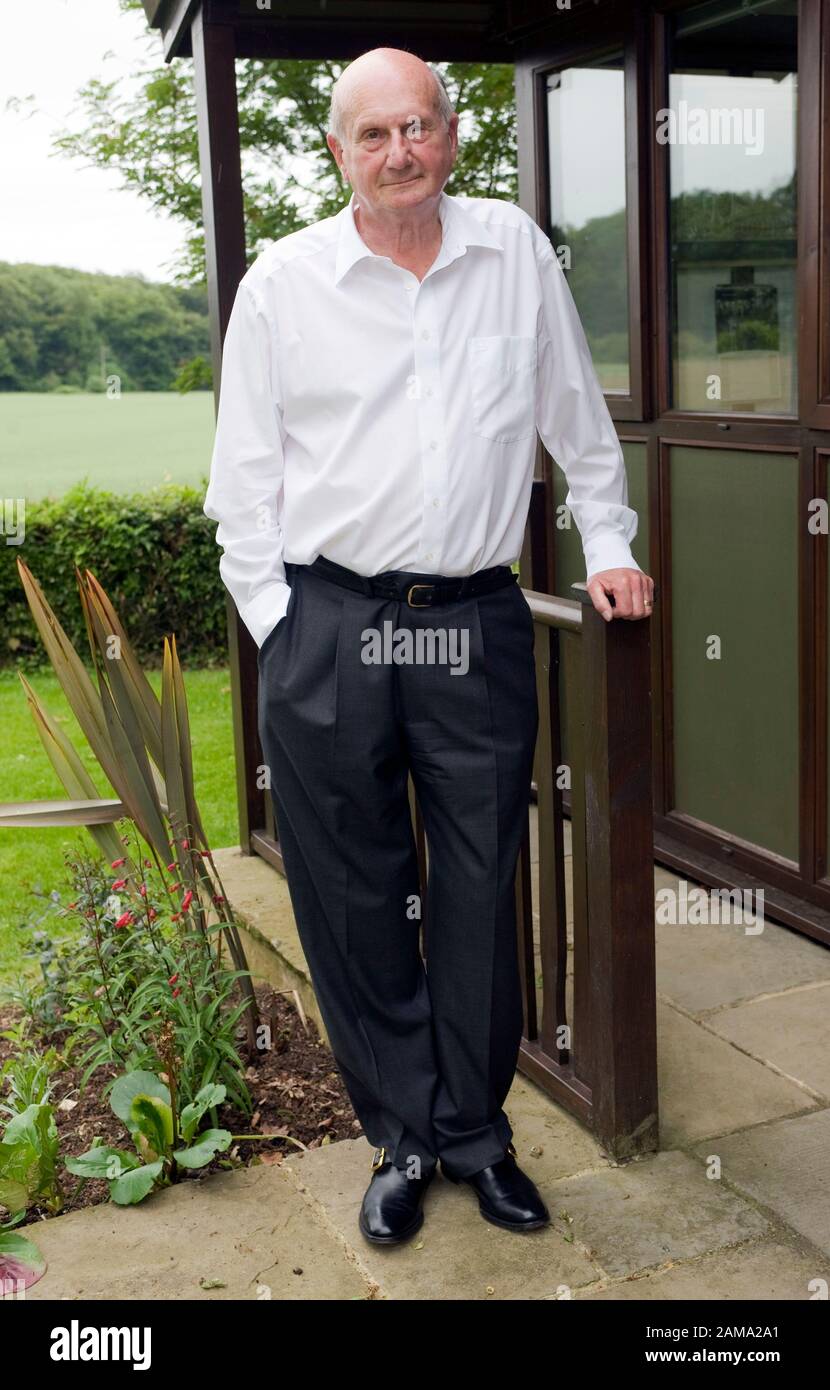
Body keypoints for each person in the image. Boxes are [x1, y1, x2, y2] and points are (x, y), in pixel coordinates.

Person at [203, 46, 655, 1246]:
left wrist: (604, 541)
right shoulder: (286, 284)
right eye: (372, 134)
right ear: (337, 151)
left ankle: (476, 1130)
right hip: (331, 622)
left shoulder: (512, 253)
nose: (400, 151)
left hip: (470, 620)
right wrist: (283, 628)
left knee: (476, 884)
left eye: (419, 127)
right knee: (352, 891)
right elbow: (241, 484)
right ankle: (401, 1133)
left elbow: (577, 421)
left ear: (449, 134)